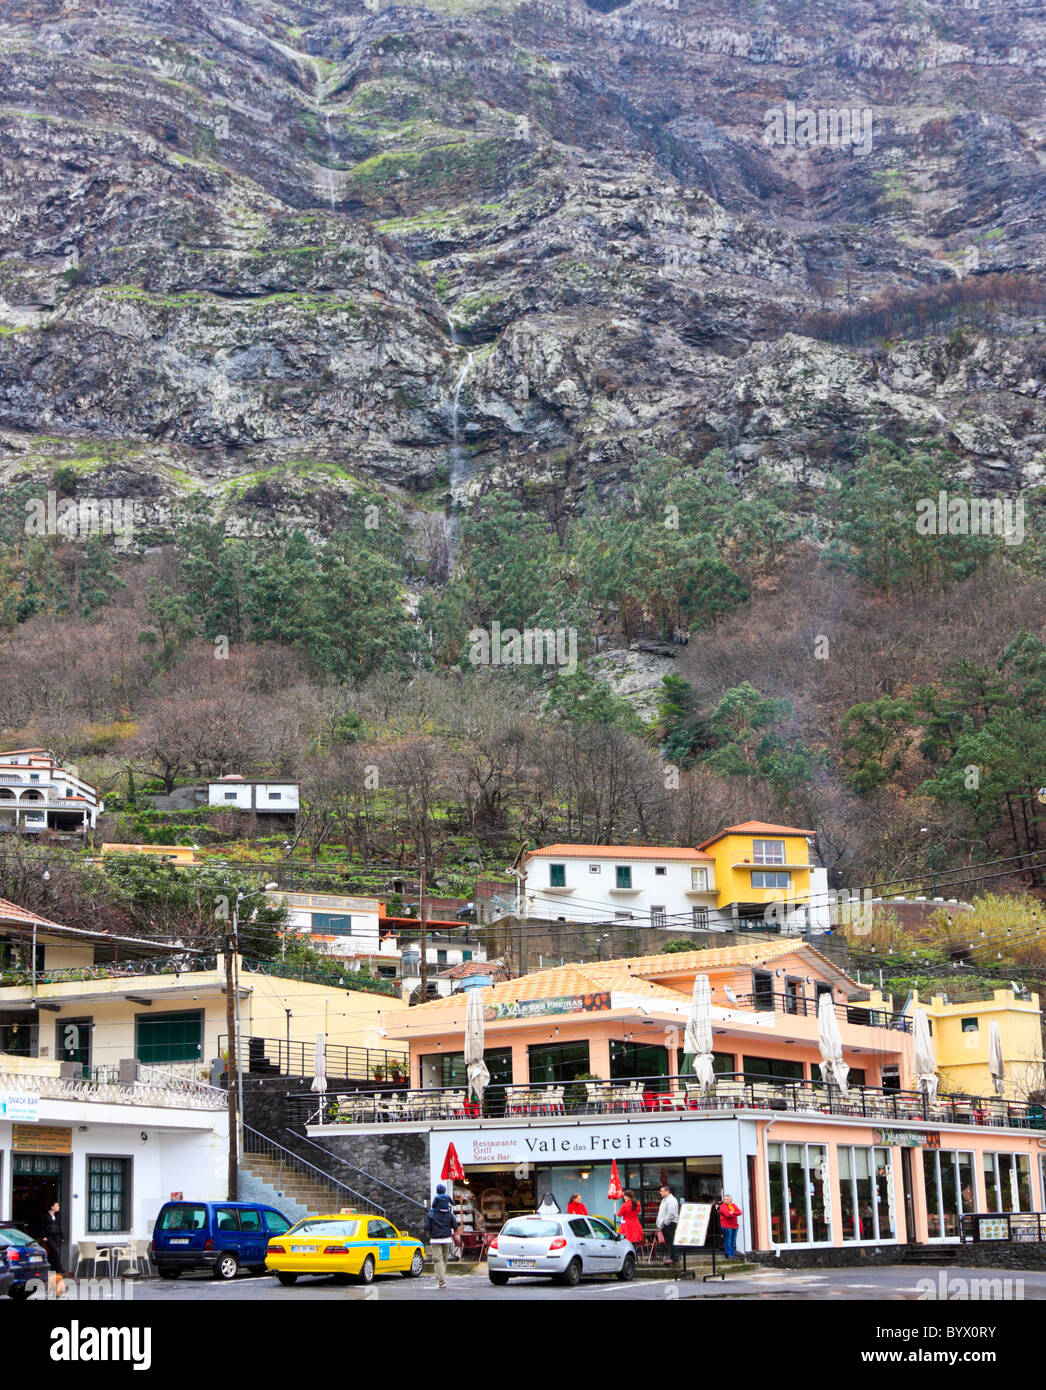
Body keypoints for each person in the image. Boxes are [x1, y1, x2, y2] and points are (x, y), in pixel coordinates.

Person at [426, 1183, 459, 1289]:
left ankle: (441, 1281)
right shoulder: (449, 1214)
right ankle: (442, 1278)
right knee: (444, 1259)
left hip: (435, 1239)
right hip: (447, 1239)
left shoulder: (431, 1214)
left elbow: (426, 1227)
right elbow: (455, 1226)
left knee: (437, 1260)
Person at [40, 1200, 65, 1295]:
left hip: (56, 1236)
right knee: (55, 1251)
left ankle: (51, 1268)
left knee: (52, 1254)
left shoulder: (57, 1217)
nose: (58, 1207)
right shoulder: (46, 1216)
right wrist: (43, 1236)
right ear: (52, 1207)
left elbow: (59, 1227)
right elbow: (42, 1227)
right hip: (49, 1236)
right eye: (57, 1205)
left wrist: (62, 1236)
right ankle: (59, 1268)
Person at [656, 1184, 679, 1264]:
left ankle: (674, 1258)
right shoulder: (664, 1200)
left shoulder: (672, 1200)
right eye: (660, 1191)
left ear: (667, 1191)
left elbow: (671, 1213)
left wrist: (666, 1222)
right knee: (669, 1241)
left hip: (670, 1223)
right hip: (664, 1224)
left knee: (672, 1240)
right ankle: (672, 1258)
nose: (660, 1193)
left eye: (662, 1191)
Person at [719, 1194, 742, 1259]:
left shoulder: (733, 1205)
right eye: (725, 1199)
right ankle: (728, 1254)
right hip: (726, 1226)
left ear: (731, 1200)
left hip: (734, 1226)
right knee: (728, 1240)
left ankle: (732, 1253)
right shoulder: (723, 1206)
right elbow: (727, 1214)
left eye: (728, 1199)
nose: (726, 1200)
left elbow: (739, 1212)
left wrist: (732, 1212)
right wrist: (733, 1213)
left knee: (733, 1240)